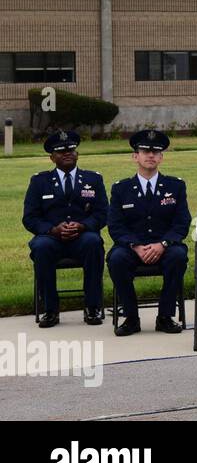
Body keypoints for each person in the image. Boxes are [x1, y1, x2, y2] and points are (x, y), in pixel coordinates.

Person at [106, 130, 190, 336]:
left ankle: (165, 317)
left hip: (165, 246)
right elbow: (116, 225)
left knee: (178, 257)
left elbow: (181, 223)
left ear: (161, 157)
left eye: (156, 152)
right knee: (116, 259)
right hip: (133, 247)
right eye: (145, 151)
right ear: (135, 156)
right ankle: (131, 318)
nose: (150, 155)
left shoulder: (175, 186)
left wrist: (163, 244)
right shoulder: (121, 189)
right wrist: (135, 245)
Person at [24, 130, 107, 328]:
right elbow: (30, 217)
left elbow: (103, 213)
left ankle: (93, 307)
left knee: (94, 242)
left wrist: (83, 226)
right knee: (41, 247)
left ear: (77, 154)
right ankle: (50, 310)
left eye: (71, 149)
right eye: (61, 151)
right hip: (51, 238)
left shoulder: (93, 179)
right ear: (52, 157)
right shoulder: (39, 182)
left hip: (82, 237)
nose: (67, 153)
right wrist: (52, 229)